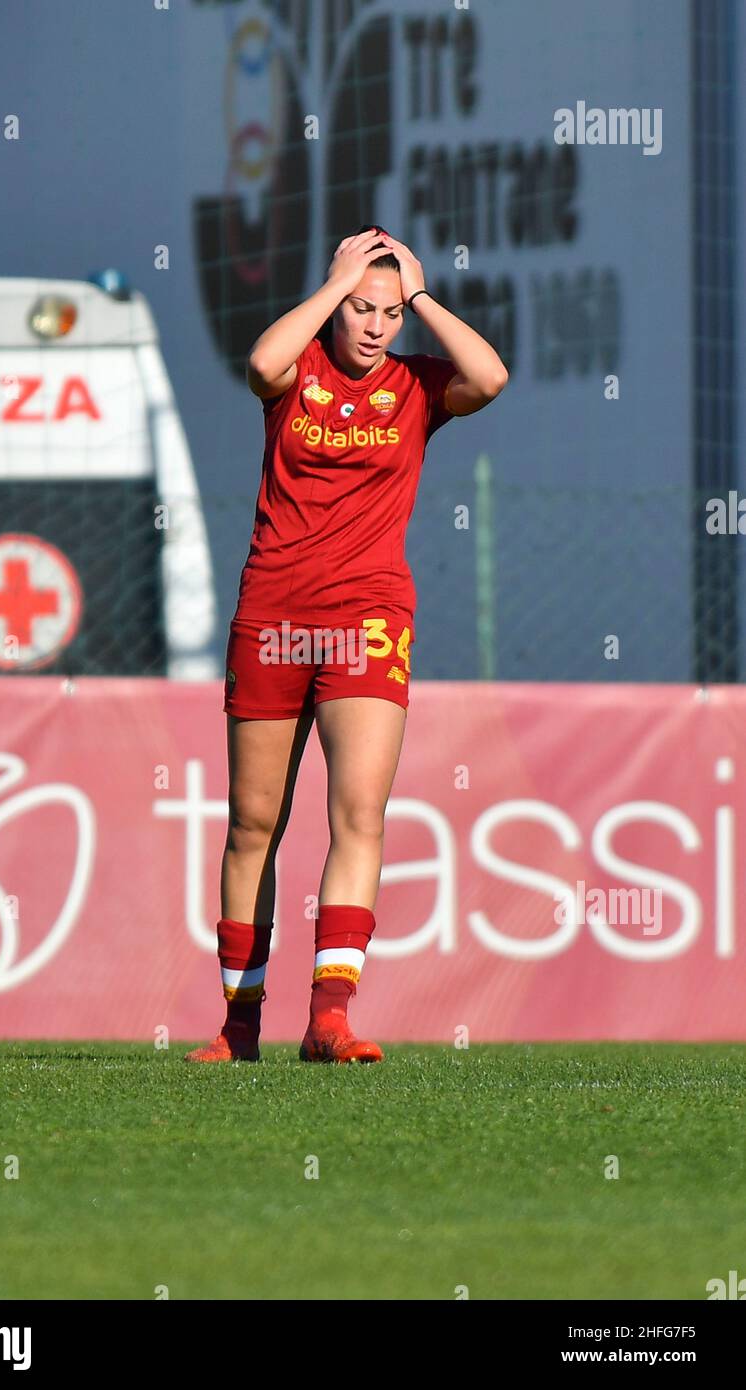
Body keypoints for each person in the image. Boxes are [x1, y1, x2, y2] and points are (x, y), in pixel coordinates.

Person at [185, 225, 508, 1064]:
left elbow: (492, 377)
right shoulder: (297, 375)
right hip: (274, 615)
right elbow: (260, 363)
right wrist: (335, 283)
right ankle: (238, 1026)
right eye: (361, 309)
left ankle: (330, 1018)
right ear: (334, 307)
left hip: (368, 616)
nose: (373, 326)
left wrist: (424, 293)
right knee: (255, 823)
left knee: (359, 811)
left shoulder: (417, 386)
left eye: (389, 313)